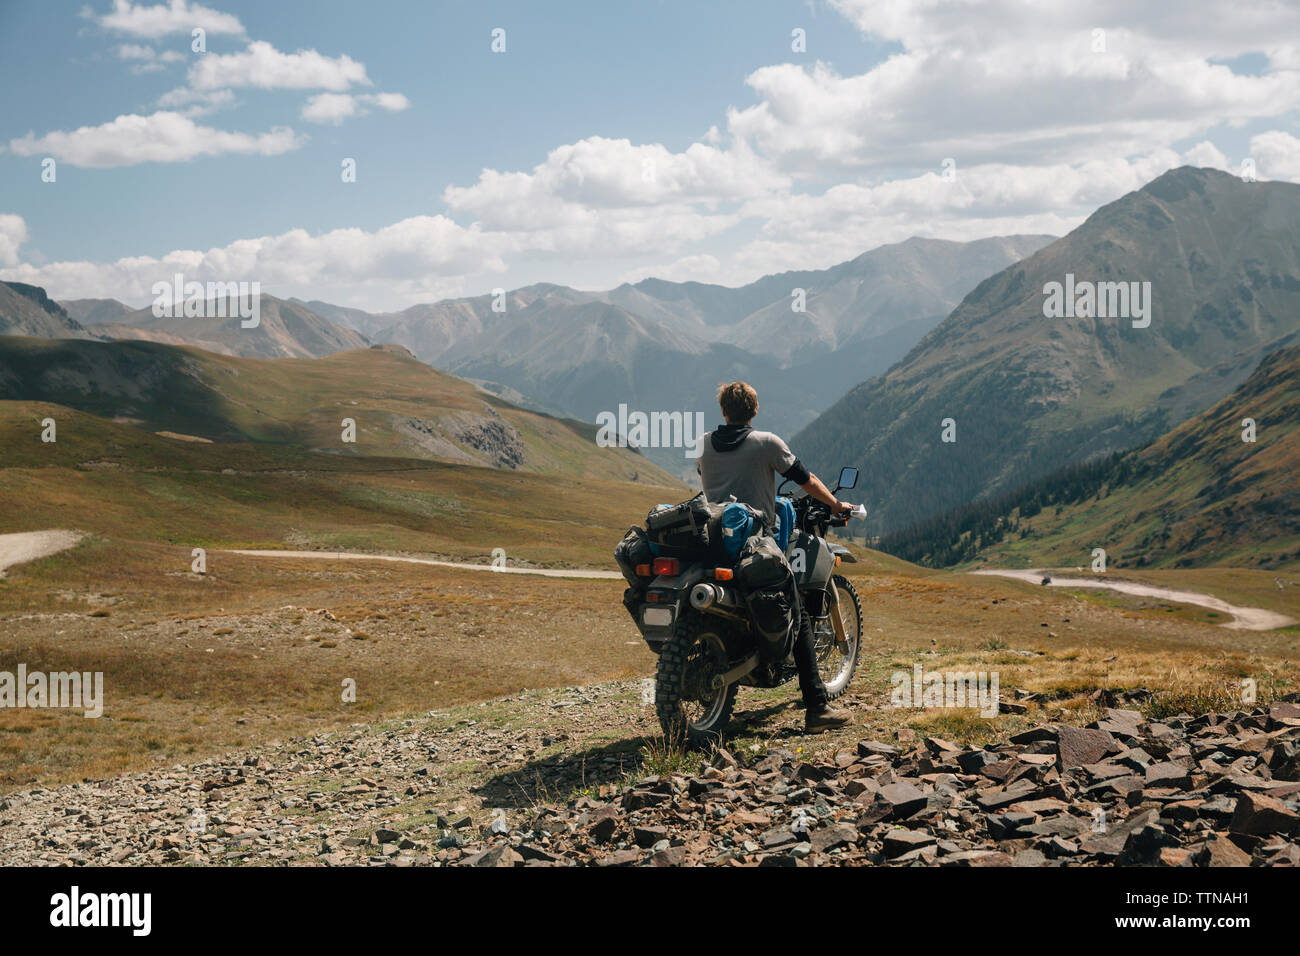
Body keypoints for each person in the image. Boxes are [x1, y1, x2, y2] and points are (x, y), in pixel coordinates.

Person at [697, 381, 852, 732]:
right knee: (795, 612)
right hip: (755, 543)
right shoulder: (766, 443)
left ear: (723, 410)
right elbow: (805, 479)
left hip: (713, 541)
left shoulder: (704, 443)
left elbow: (708, 479)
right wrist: (836, 504)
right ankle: (817, 709)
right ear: (754, 410)